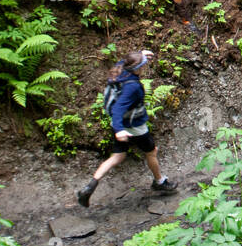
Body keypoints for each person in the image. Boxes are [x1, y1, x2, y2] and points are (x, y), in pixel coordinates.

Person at [76, 50, 178, 206]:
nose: (144, 68)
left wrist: (141, 53)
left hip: (119, 125)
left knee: (117, 157)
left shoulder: (120, 69)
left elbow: (126, 60)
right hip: (134, 126)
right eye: (143, 65)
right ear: (137, 68)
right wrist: (120, 130)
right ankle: (159, 181)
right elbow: (118, 108)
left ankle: (90, 186)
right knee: (151, 152)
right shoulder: (133, 87)